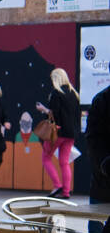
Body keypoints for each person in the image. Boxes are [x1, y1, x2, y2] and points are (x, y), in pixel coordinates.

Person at [35, 67, 80, 198]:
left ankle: (57, 185)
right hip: (70, 134)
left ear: (55, 79)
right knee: (64, 162)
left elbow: (53, 113)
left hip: (57, 132)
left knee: (46, 158)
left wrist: (43, 109)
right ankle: (66, 192)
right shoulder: (74, 94)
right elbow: (77, 115)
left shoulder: (56, 93)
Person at [87, 83, 110, 233]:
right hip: (103, 184)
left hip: (102, 182)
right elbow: (94, 141)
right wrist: (105, 164)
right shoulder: (102, 100)